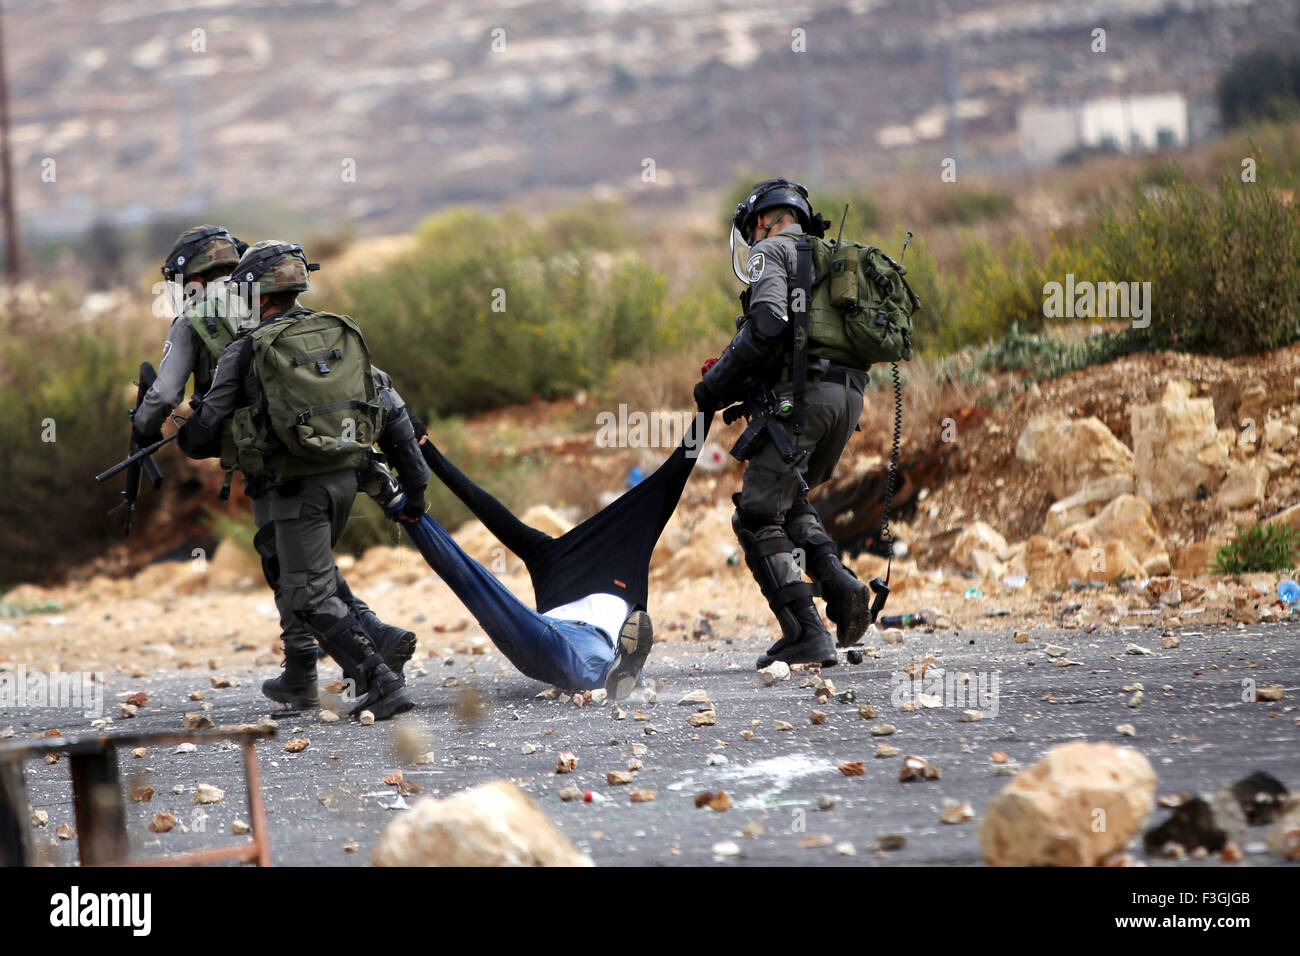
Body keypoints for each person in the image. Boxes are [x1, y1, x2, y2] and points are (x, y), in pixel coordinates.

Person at [140, 227, 415, 697]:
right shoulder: (295, 308)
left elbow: (166, 394)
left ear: (190, 276)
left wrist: (148, 425)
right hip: (333, 457)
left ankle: (343, 663)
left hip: (272, 464)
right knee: (297, 561)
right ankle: (315, 665)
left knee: (289, 564)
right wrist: (411, 466)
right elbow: (373, 384)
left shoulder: (197, 318)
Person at [372, 410, 713, 699]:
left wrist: (427, 450)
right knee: (478, 584)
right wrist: (707, 406)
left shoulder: (566, 548)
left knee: (474, 583)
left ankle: (396, 501)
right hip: (550, 635)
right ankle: (621, 672)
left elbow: (679, 468)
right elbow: (484, 505)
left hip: (542, 644)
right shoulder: (572, 548)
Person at [694, 177, 872, 669]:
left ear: (760, 220)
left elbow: (769, 322)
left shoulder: (770, 251)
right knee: (788, 504)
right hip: (847, 402)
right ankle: (841, 590)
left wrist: (714, 386)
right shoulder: (827, 256)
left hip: (806, 402)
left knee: (754, 515)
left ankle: (806, 634)